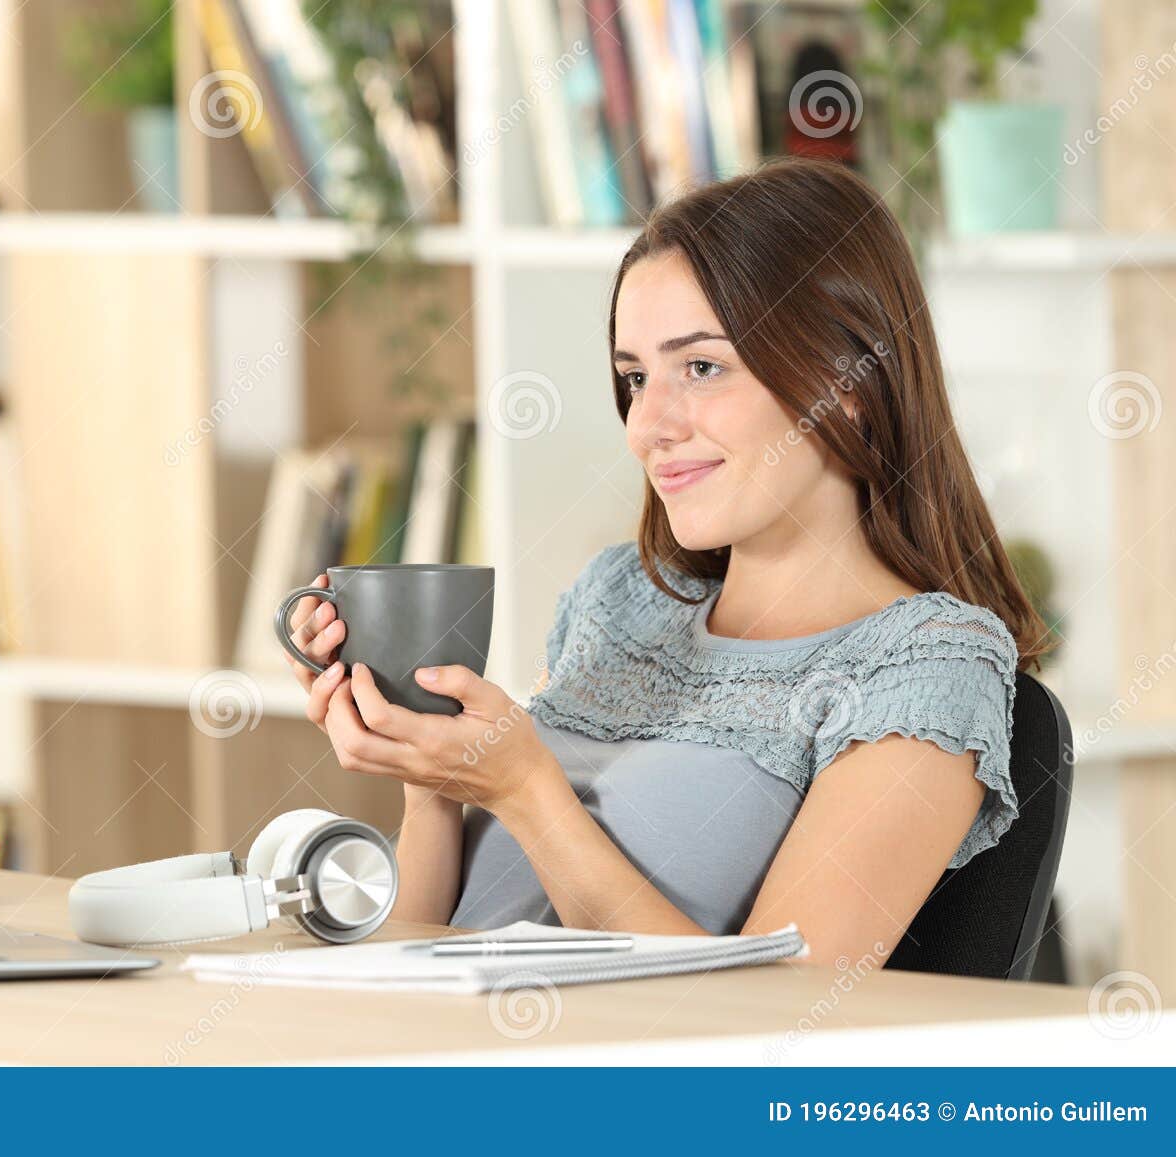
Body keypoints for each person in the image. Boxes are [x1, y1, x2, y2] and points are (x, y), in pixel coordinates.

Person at [281, 158, 1051, 968]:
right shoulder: (618, 600)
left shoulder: (926, 665)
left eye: (702, 367)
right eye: (635, 377)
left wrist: (524, 790)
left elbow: (785, 1009)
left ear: (847, 381)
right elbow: (417, 952)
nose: (647, 425)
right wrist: (429, 766)